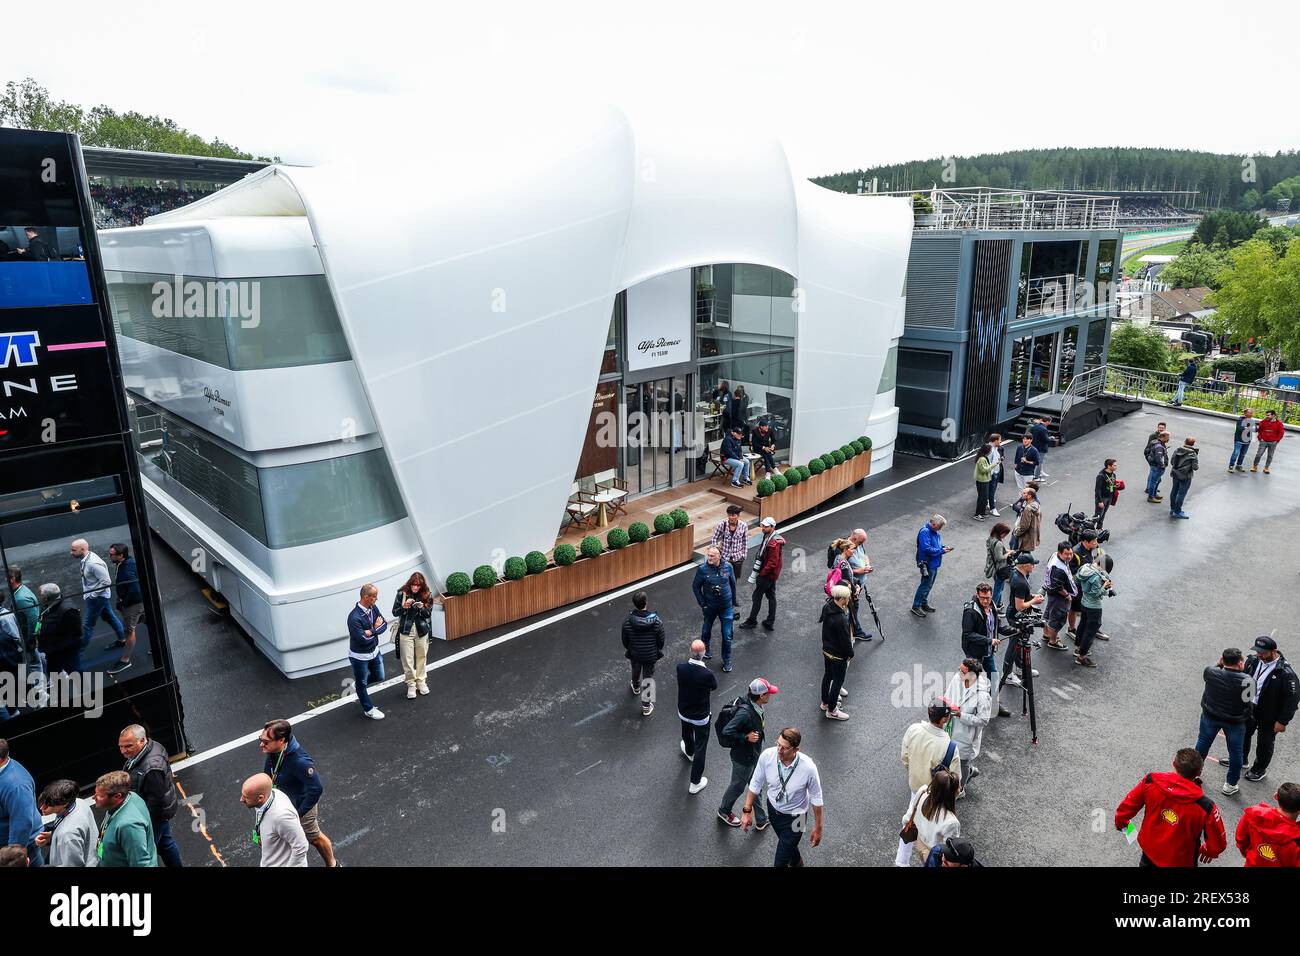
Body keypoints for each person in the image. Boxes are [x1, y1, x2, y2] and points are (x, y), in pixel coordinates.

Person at [1115, 749, 1226, 866]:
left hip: (1150, 852)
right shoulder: (1205, 806)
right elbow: (1218, 842)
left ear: (1173, 763)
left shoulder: (1150, 781)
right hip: (1181, 860)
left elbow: (1126, 807)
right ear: (1199, 773)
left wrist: (1122, 824)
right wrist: (1209, 851)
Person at [260, 719, 339, 867]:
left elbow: (316, 789)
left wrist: (299, 813)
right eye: (261, 739)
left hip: (300, 806)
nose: (261, 744)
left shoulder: (299, 762)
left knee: (314, 837)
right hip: (282, 802)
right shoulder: (274, 751)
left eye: (265, 741)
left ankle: (333, 864)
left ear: (281, 740)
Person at [742, 727, 823, 867]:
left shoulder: (809, 768)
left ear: (796, 750)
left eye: (784, 748)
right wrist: (747, 811)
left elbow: (816, 798)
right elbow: (755, 783)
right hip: (773, 811)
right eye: (778, 744)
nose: (779, 750)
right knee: (789, 848)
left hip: (798, 817)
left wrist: (818, 828)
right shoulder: (767, 756)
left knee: (780, 862)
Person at [119, 724, 182, 867]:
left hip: (152, 817)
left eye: (128, 746)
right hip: (158, 814)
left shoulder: (151, 768)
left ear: (142, 741)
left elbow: (156, 801)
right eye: (121, 746)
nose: (123, 751)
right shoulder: (151, 747)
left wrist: (143, 822)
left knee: (146, 851)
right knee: (166, 843)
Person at [717, 678, 777, 829]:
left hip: (753, 754)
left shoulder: (754, 704)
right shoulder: (745, 713)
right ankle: (724, 811)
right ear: (762, 696)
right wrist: (745, 737)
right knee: (737, 786)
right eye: (769, 693)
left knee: (755, 784)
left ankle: (762, 819)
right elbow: (727, 731)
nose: (770, 694)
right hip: (743, 758)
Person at [1196, 648, 1254, 795]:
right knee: (1236, 753)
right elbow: (1248, 704)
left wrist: (1218, 663)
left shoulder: (1210, 672)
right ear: (1240, 662)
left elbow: (1211, 670)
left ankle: (1194, 774)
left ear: (1222, 660)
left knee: (1202, 744)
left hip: (1210, 716)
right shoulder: (1248, 680)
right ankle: (1230, 784)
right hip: (1235, 721)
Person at [1242, 637, 1299, 782]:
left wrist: (1282, 721)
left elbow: (1292, 700)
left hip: (1269, 715)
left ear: (1273, 651)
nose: (1259, 655)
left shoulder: (1287, 673)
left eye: (1263, 652)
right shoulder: (1254, 661)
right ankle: (1240, 760)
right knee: (1242, 735)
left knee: (1264, 743)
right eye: (1257, 651)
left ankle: (1259, 769)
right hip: (1250, 708)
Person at [961, 585, 1015, 719]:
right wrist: (988, 640)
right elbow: (968, 634)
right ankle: (968, 710)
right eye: (983, 598)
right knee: (973, 682)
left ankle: (994, 706)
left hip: (988, 652)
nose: (985, 601)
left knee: (994, 678)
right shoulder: (970, 611)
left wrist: (1014, 630)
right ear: (977, 595)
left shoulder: (993, 607)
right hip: (974, 653)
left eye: (988, 598)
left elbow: (997, 627)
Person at [240, 773, 309, 867]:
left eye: (246, 797)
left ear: (260, 798)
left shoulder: (282, 817)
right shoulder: (270, 794)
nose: (241, 799)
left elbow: (301, 846)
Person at [896, 767, 960, 866]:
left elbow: (908, 816)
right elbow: (948, 850)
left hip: (919, 842)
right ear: (951, 793)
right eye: (958, 787)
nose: (960, 789)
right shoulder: (951, 822)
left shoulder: (922, 792)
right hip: (932, 853)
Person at [945, 660, 992, 795]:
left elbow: (983, 720)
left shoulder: (983, 696)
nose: (959, 673)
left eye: (962, 671)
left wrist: (961, 715)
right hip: (950, 726)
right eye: (959, 669)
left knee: (962, 761)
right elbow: (948, 695)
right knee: (947, 755)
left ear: (972, 676)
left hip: (966, 735)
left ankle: (960, 789)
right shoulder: (956, 678)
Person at [676, 640, 717, 794]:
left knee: (686, 731)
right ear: (704, 653)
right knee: (702, 746)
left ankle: (689, 750)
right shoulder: (707, 674)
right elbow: (714, 686)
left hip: (684, 710)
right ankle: (695, 782)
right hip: (701, 716)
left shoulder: (681, 668)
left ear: (690, 651)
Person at [71, 538, 125, 652]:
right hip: (97, 596)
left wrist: (93, 595)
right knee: (110, 617)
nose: (71, 552)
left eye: (74, 550)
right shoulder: (86, 558)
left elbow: (106, 581)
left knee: (87, 625)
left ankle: (79, 652)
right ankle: (122, 639)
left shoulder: (93, 563)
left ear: (82, 549)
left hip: (97, 598)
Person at [93, 770, 157, 867]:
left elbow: (141, 863)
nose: (94, 797)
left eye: (100, 796)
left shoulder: (128, 826)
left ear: (117, 796)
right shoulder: (131, 796)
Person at [1002, 553, 1044, 690]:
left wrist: (1031, 596)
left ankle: (1020, 668)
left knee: (1019, 644)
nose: (1034, 566)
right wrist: (1034, 601)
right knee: (1014, 645)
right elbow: (1019, 606)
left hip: (1015, 614)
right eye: (1032, 564)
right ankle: (1007, 674)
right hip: (1016, 617)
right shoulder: (1020, 582)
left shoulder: (1018, 574)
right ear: (1026, 566)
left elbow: (1021, 597)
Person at [346, 583, 388, 719]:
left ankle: (359, 684)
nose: (377, 599)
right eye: (374, 597)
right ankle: (368, 709)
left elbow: (384, 624)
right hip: (359, 656)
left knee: (379, 676)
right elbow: (363, 639)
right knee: (362, 684)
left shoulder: (373, 607)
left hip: (375, 651)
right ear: (366, 597)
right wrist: (374, 630)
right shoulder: (354, 617)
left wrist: (372, 631)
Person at [901, 700, 962, 793]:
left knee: (914, 806)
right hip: (934, 795)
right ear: (944, 719)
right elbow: (955, 782)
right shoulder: (951, 748)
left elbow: (905, 757)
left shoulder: (913, 729)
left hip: (914, 787)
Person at [691, 547, 736, 671]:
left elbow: (733, 584)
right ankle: (706, 649)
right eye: (708, 555)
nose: (709, 558)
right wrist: (703, 604)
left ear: (719, 556)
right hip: (709, 607)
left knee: (727, 635)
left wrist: (734, 602)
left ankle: (727, 660)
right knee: (706, 631)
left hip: (726, 607)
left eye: (712, 556)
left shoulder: (728, 567)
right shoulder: (702, 569)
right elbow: (695, 587)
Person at [0, 738, 43, 867]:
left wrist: (10, 857)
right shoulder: (4, 769)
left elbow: (22, 825)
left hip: (21, 847)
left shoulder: (16, 785)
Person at [622, 590, 665, 716]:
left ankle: (635, 686)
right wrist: (655, 649)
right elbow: (661, 641)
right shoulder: (657, 621)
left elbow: (625, 641)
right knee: (648, 678)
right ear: (646, 602)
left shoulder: (627, 622)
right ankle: (646, 706)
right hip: (651, 655)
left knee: (635, 670)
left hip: (635, 654)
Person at [1236, 782, 1300, 867]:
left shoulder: (1254, 815)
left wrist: (1248, 854)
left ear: (1276, 796)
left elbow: (1241, 839)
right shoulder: (1296, 839)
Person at [35, 779, 97, 867]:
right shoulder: (79, 802)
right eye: (43, 803)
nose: (42, 808)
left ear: (64, 803)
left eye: (49, 805)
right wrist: (52, 836)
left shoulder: (68, 835)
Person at [391, 571, 433, 699]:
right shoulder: (401, 593)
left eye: (418, 585)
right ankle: (411, 684)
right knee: (407, 660)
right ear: (410, 584)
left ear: (422, 586)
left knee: (422, 656)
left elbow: (428, 614)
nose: (415, 587)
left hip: (421, 630)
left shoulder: (427, 594)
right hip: (406, 630)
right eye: (413, 585)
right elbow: (394, 612)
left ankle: (421, 681)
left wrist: (421, 607)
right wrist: (404, 607)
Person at [740, 516, 783, 632]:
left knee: (757, 597)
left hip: (767, 575)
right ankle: (770, 621)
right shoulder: (769, 536)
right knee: (771, 596)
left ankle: (752, 621)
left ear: (772, 527)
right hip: (771, 575)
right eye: (762, 526)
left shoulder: (774, 542)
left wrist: (762, 574)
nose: (763, 528)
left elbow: (772, 562)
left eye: (766, 526)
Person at [819, 584, 853, 721]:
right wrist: (850, 654)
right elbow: (845, 642)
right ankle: (832, 710)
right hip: (838, 655)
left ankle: (825, 702)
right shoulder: (841, 619)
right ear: (843, 599)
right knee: (838, 681)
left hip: (827, 650)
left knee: (827, 676)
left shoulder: (827, 607)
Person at [106, 543, 141, 675]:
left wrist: (124, 603)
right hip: (133, 603)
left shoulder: (127, 571)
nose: (109, 556)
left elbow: (135, 592)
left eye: (111, 554)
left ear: (121, 556)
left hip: (133, 605)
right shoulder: (126, 562)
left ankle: (125, 660)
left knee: (129, 631)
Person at [1073, 559, 1113, 668]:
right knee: (1091, 631)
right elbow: (1096, 594)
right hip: (1094, 607)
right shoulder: (1095, 577)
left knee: (1082, 625)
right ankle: (1082, 657)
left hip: (1084, 602)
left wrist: (1103, 586)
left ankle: (1079, 648)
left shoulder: (1085, 568)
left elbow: (1080, 584)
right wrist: (1104, 587)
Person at [911, 514, 952, 619]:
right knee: (925, 585)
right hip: (928, 563)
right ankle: (916, 606)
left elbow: (935, 545)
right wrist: (941, 550)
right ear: (933, 524)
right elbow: (927, 549)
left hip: (934, 562)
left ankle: (923, 602)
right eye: (939, 527)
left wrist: (942, 547)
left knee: (929, 584)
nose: (940, 529)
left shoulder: (935, 532)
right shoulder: (925, 532)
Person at [36, 583, 82, 674]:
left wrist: (58, 645)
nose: (39, 597)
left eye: (40, 595)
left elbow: (76, 633)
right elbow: (40, 620)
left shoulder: (68, 611)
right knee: (54, 673)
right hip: (52, 649)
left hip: (64, 650)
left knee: (74, 671)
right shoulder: (47, 605)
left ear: (46, 598)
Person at [1041, 540, 1077, 651]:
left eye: (1071, 553)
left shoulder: (1054, 556)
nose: (1069, 556)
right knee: (1058, 618)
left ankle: (1046, 635)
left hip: (1051, 593)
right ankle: (1053, 641)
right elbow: (1058, 587)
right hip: (1058, 596)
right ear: (1060, 552)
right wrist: (1067, 595)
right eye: (1066, 554)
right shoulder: (1058, 568)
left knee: (1049, 613)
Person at [710, 505, 748, 609]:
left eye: (734, 515)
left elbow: (745, 541)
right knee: (723, 579)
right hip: (725, 558)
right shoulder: (722, 525)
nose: (731, 517)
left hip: (737, 559)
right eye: (730, 515)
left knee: (734, 580)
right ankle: (723, 599)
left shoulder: (743, 526)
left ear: (738, 515)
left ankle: (733, 599)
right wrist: (715, 551)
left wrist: (743, 555)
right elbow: (714, 538)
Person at [7, 566, 40, 661]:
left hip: (27, 637)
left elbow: (34, 619)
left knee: (34, 664)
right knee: (39, 658)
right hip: (29, 636)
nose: (5, 580)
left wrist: (32, 638)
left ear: (13, 579)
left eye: (7, 578)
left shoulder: (20, 598)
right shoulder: (22, 589)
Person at [847, 528, 875, 641]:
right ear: (854, 538)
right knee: (852, 609)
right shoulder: (845, 548)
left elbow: (865, 555)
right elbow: (840, 569)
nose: (861, 544)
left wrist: (867, 565)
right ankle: (855, 631)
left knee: (854, 608)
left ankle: (852, 630)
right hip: (851, 586)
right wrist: (859, 571)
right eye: (860, 542)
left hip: (859, 584)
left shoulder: (858, 544)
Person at [1168, 437, 1199, 519]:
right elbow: (1195, 467)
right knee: (1181, 494)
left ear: (1185, 441)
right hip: (1186, 476)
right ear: (1193, 444)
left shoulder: (1177, 450)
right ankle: (1177, 511)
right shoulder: (1193, 454)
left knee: (1174, 491)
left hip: (1175, 474)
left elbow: (1172, 462)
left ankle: (1172, 509)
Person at [984, 523, 1012, 611]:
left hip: (993, 567)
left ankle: (998, 604)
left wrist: (1007, 550)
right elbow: (999, 558)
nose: (1005, 536)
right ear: (1001, 532)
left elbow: (997, 550)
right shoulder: (998, 543)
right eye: (1005, 533)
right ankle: (993, 608)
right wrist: (1009, 553)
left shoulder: (991, 538)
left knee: (1000, 586)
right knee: (998, 589)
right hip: (1000, 569)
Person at [1252, 409, 1285, 474]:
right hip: (1263, 441)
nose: (1267, 416)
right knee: (1259, 454)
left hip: (1273, 442)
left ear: (1273, 415)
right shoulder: (1264, 422)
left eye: (1268, 415)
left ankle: (1266, 468)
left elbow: (1281, 432)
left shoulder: (1279, 423)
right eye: (1266, 415)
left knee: (1270, 455)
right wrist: (1260, 438)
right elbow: (1259, 430)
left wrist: (1277, 440)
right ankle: (1254, 466)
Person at [1011, 486, 1042, 555]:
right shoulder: (1036, 505)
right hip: (1031, 534)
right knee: (1026, 552)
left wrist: (1017, 533)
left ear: (1029, 496)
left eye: (1024, 493)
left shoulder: (1027, 509)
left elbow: (1024, 526)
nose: (1022, 494)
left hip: (1024, 535)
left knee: (1015, 551)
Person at [1145, 431, 1170, 503]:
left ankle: (1154, 494)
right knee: (1153, 482)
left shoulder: (1158, 444)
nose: (1168, 439)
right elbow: (1158, 458)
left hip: (1155, 466)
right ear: (1162, 437)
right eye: (1167, 437)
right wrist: (1162, 466)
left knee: (1156, 481)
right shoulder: (1159, 446)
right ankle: (1151, 497)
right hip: (1157, 467)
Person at [1093, 459, 1118, 529]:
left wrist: (1114, 487)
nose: (1116, 467)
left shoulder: (1113, 475)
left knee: (1103, 514)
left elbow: (1111, 485)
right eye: (1114, 465)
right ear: (1109, 466)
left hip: (1109, 497)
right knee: (1098, 515)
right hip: (1102, 498)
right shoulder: (1101, 476)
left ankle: (1099, 528)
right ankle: (1089, 527)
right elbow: (1097, 490)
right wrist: (1100, 501)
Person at [1229, 409, 1256, 473]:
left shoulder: (1252, 421)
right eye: (1250, 413)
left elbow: (1255, 429)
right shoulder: (1240, 420)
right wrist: (1249, 428)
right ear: (1245, 413)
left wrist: (1247, 428)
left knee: (1243, 454)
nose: (1251, 414)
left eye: (1252, 413)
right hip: (1239, 440)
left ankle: (1239, 465)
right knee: (1236, 453)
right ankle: (1231, 466)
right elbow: (1240, 428)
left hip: (1247, 440)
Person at [973, 443, 993, 520]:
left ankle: (982, 512)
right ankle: (977, 514)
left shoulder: (983, 457)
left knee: (984, 498)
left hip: (984, 480)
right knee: (982, 498)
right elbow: (984, 470)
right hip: (982, 481)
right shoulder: (982, 459)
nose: (991, 451)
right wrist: (994, 464)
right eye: (990, 449)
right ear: (987, 450)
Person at [985, 433, 1004, 515]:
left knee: (992, 490)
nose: (1000, 441)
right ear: (996, 440)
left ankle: (988, 502)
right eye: (999, 440)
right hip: (992, 473)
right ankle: (992, 508)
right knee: (991, 491)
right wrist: (991, 474)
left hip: (996, 471)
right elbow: (988, 463)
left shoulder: (996, 448)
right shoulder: (990, 449)